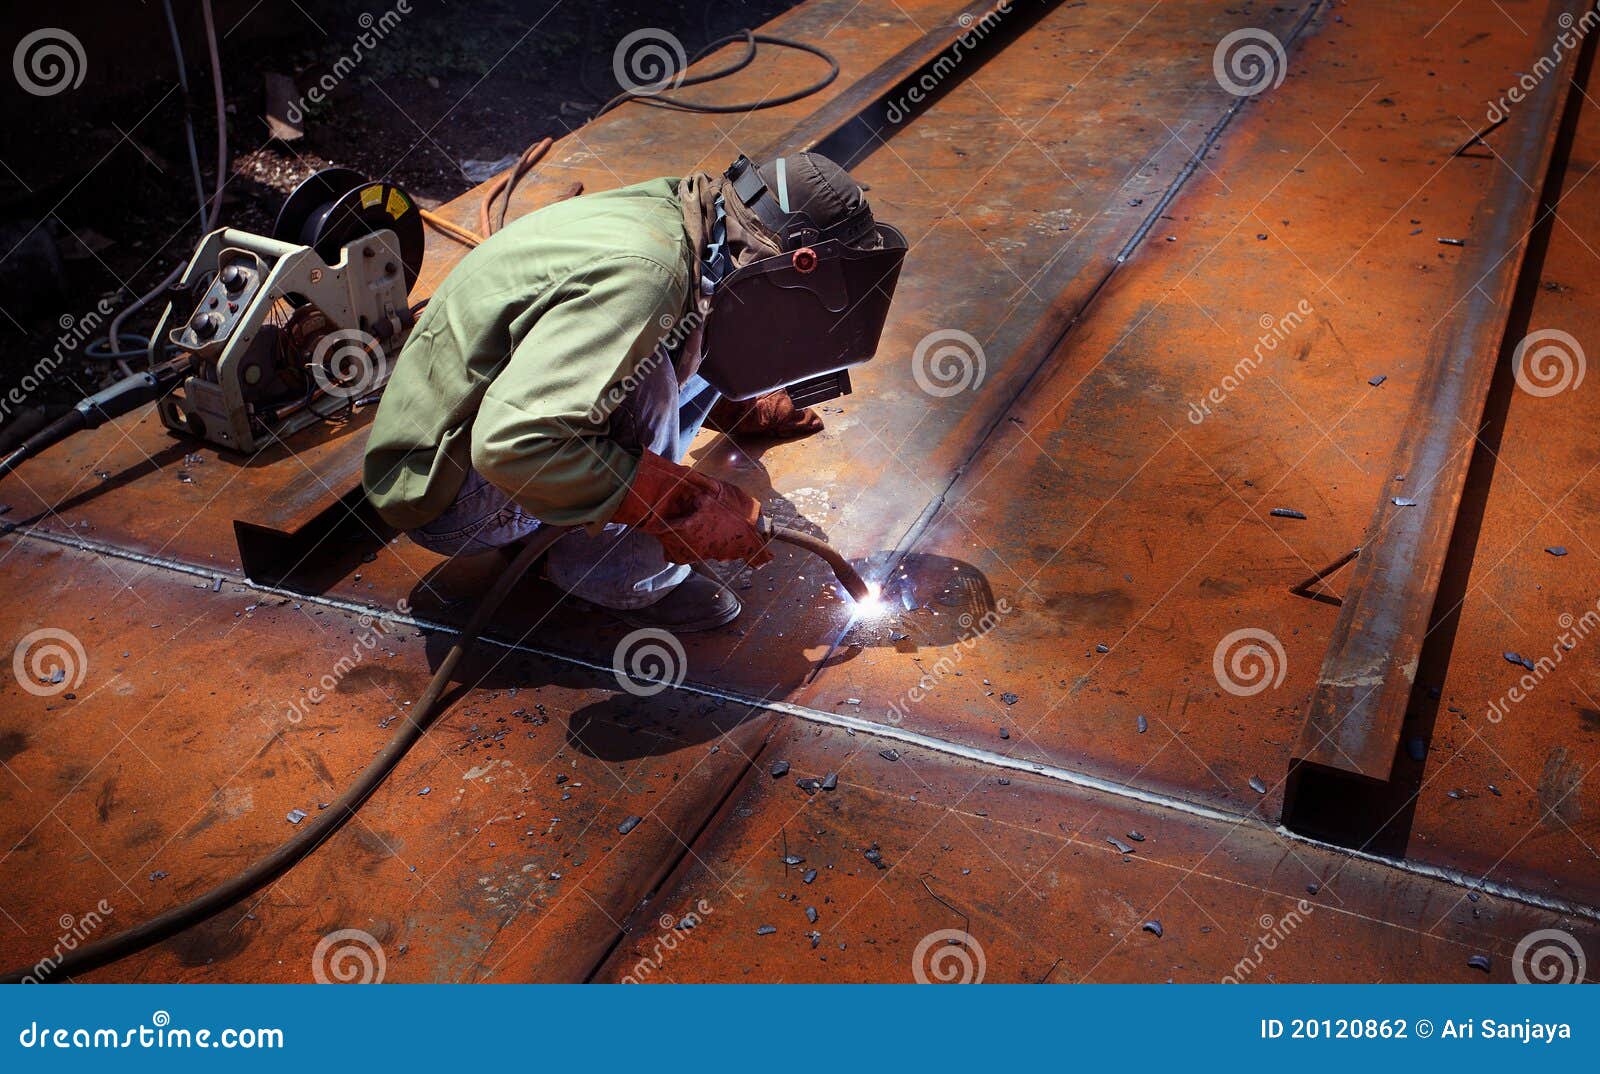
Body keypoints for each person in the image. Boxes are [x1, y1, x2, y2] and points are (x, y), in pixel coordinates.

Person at [363, 152, 897, 632]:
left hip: (484, 414)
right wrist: (686, 502)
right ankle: (617, 576)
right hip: (449, 492)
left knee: (707, 322)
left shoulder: (689, 215)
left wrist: (735, 397)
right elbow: (514, 444)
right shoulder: (648, 278)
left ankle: (567, 517)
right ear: (784, 257)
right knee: (653, 377)